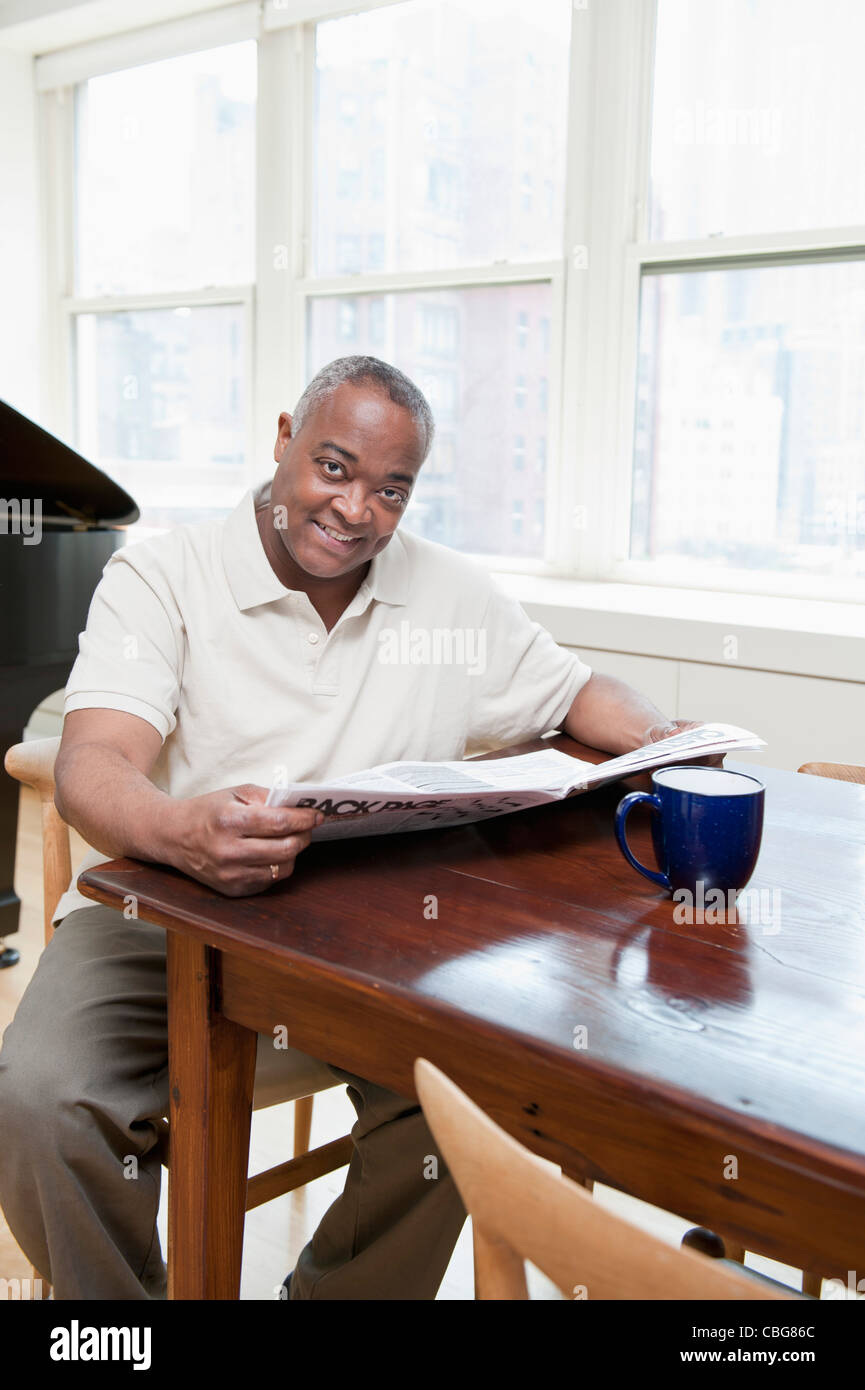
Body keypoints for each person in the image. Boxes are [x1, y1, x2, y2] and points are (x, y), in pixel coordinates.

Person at [0, 355, 697, 1300]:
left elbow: (576, 693)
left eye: (391, 489)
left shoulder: (449, 595)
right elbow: (91, 765)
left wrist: (658, 735)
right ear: (285, 440)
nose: (357, 509)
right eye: (334, 467)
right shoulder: (164, 574)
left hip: (376, 936)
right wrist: (176, 828)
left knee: (474, 1098)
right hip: (167, 915)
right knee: (38, 1095)